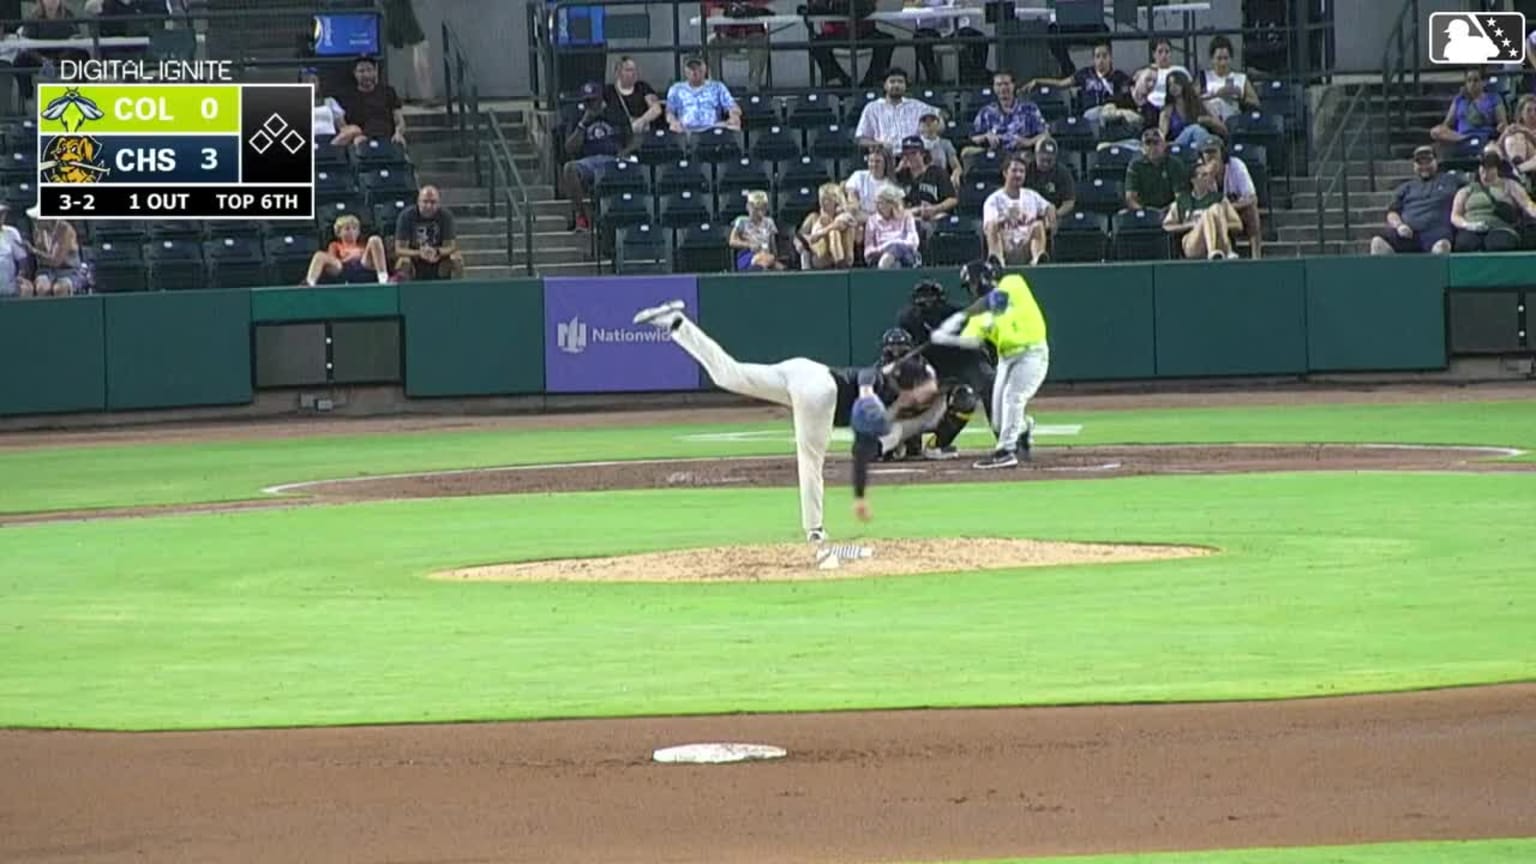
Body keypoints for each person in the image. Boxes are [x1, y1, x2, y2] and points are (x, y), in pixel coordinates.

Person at [632, 299, 951, 540]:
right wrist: (868, 396)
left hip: (802, 371)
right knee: (811, 460)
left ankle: (677, 324)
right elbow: (870, 377)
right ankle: (815, 530)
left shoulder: (895, 403)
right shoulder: (890, 383)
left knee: (730, 374)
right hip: (821, 390)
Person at [930, 260, 1050, 469]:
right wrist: (945, 338)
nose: (971, 289)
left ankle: (1005, 452)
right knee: (997, 421)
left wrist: (960, 316)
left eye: (971, 284)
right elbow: (971, 341)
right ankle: (1022, 428)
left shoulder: (1013, 282)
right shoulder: (979, 316)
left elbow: (997, 301)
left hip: (1031, 353)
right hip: (1006, 359)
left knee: (1014, 397)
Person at [896, 275, 998, 454]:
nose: (927, 304)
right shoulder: (908, 320)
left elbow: (986, 337)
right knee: (905, 388)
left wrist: (990, 360)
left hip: (964, 361)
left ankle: (1005, 440)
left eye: (931, 299)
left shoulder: (957, 315)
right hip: (932, 369)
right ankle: (907, 443)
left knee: (977, 392)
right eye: (922, 300)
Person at [560, 80, 638, 233]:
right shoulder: (578, 116)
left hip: (613, 158)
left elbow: (634, 140)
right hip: (589, 161)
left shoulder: (615, 112)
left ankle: (628, 214)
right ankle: (582, 217)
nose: (591, 104)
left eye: (593, 100)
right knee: (569, 169)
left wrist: (624, 152)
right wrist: (583, 123)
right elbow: (569, 148)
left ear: (601, 98)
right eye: (587, 101)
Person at [1370, 145, 1460, 256]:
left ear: (1436, 161)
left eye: (1428, 161)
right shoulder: (1406, 187)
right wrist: (1399, 226)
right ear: (1414, 165)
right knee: (1378, 243)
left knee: (1442, 246)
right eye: (1420, 163)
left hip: (1436, 234)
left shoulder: (1451, 180)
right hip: (1408, 233)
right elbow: (1392, 212)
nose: (1424, 166)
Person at [1027, 42, 1132, 136]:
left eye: (1104, 56)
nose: (1101, 60)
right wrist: (1038, 81)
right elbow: (1061, 84)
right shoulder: (1085, 74)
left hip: (1111, 114)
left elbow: (1132, 88)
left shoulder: (1118, 76)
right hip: (1090, 114)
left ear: (1110, 58)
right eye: (1097, 57)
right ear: (1093, 60)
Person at [1451, 150, 1536, 252]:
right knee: (1465, 244)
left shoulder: (1510, 185)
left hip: (1500, 228)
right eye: (1483, 169)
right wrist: (1467, 225)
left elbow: (1527, 205)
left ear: (1497, 169)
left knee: (1498, 244)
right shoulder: (1467, 190)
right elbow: (1455, 216)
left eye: (1490, 169)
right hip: (1472, 227)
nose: (1485, 174)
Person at [1162, 159, 1240, 260]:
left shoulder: (1219, 198)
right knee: (1207, 214)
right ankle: (1214, 251)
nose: (1208, 178)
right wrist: (1189, 225)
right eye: (1203, 175)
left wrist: (1219, 223)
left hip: (1219, 240)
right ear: (1193, 180)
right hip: (1192, 242)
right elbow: (1166, 226)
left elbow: (1238, 225)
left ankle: (1221, 251)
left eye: (1208, 175)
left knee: (1215, 208)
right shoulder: (1182, 200)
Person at [807, 0, 895, 89]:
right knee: (816, 44)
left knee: (887, 41)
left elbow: (867, 7)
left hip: (864, 33)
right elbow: (817, 8)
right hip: (837, 34)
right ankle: (837, 79)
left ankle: (872, 81)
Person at [982, 155, 1053, 265]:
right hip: (1005, 245)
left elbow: (1049, 207)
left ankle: (1038, 260)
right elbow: (988, 227)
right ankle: (997, 261)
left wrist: (1049, 220)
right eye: (1014, 171)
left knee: (1038, 225)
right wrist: (1006, 217)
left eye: (1022, 171)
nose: (1018, 175)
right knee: (993, 225)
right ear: (1005, 173)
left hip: (1026, 245)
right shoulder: (993, 199)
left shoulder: (1031, 196)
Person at [1200, 138, 1261, 258]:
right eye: (1207, 152)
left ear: (1222, 153)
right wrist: (1209, 177)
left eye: (1213, 152)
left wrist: (1227, 207)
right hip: (1210, 215)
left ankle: (1256, 256)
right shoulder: (1199, 171)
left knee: (1252, 211)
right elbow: (1198, 200)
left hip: (1234, 212)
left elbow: (1252, 198)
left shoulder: (1236, 166)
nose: (1210, 156)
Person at [855, 68, 940, 154]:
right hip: (885, 157)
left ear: (905, 85)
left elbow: (939, 114)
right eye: (892, 82)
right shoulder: (872, 108)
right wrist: (880, 145)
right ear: (885, 85)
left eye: (900, 82)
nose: (896, 85)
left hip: (913, 156)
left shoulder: (916, 106)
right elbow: (861, 139)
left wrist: (934, 130)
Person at [966, 70, 1047, 156]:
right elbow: (973, 137)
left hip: (1022, 157)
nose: (1003, 88)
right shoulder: (986, 112)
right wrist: (986, 136)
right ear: (994, 87)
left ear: (1013, 85)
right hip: (995, 156)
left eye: (1006, 84)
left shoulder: (1029, 109)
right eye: (999, 84)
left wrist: (1028, 142)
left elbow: (1045, 134)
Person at [908, 0, 988, 85]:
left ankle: (977, 75)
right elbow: (909, 7)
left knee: (980, 38)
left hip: (957, 29)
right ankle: (933, 80)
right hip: (931, 29)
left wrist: (964, 4)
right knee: (919, 39)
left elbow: (967, 5)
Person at [394, 186, 464, 280]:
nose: (429, 206)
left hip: (438, 258)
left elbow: (450, 246)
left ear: (439, 203)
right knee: (403, 262)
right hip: (414, 258)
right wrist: (419, 253)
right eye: (425, 202)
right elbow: (399, 249)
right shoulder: (406, 216)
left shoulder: (446, 216)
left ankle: (456, 291)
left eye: (433, 202)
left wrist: (437, 252)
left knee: (457, 259)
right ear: (418, 202)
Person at [665, 56, 743, 138]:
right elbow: (669, 112)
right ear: (685, 71)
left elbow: (732, 106)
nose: (694, 72)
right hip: (685, 128)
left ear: (704, 70)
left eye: (698, 68)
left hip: (713, 127)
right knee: (672, 128)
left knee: (735, 125)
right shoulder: (676, 89)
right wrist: (673, 121)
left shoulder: (717, 86)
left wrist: (734, 116)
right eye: (691, 69)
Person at [894, 135, 958, 234]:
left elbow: (952, 199)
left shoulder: (937, 172)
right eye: (905, 155)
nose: (909, 158)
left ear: (923, 154)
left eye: (913, 153)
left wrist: (935, 209)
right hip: (909, 218)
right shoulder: (900, 177)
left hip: (935, 218)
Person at [336, 57, 406, 148]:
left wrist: (398, 133)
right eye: (361, 71)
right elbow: (342, 124)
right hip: (360, 138)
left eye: (369, 70)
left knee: (400, 143)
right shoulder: (346, 96)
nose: (366, 74)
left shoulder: (388, 92)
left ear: (375, 72)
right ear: (355, 74)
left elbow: (399, 120)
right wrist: (353, 136)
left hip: (388, 136)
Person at [702, 0, 771, 91]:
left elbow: (770, 7)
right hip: (725, 38)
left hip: (752, 37)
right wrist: (727, 11)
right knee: (710, 42)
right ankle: (716, 87)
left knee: (761, 42)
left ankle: (753, 88)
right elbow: (707, 10)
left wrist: (753, 9)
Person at [1431, 67, 1507, 148]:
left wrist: (1500, 126)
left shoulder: (1494, 98)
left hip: (1484, 136)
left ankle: (1472, 140)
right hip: (1460, 136)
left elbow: (1503, 123)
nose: (1472, 84)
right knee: (1435, 131)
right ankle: (1466, 139)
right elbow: (1447, 123)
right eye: (1469, 80)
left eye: (1476, 80)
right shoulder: (1459, 99)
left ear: (1483, 82)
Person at [305, 214, 390, 286]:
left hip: (362, 265)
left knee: (375, 239)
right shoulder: (335, 245)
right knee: (319, 255)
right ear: (339, 233)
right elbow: (332, 261)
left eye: (354, 228)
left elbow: (368, 258)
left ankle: (383, 278)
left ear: (358, 232)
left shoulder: (362, 245)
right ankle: (310, 283)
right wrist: (349, 257)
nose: (351, 232)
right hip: (342, 268)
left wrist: (360, 253)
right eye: (347, 229)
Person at [1124, 126, 1190, 210]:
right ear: (1142, 147)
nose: (1152, 147)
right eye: (1148, 143)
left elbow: (1180, 197)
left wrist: (1168, 211)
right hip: (1145, 210)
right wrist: (1145, 212)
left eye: (1156, 143)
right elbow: (1130, 198)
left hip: (1170, 211)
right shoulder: (1136, 165)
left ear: (1164, 144)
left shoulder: (1174, 164)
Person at [796, 183, 858, 270]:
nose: (823, 203)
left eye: (827, 200)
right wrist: (802, 243)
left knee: (834, 232)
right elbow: (799, 236)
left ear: (836, 201)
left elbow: (840, 225)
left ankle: (840, 266)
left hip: (843, 257)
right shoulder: (813, 217)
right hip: (819, 257)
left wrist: (819, 234)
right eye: (822, 199)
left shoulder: (844, 216)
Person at [1096, 67, 1161, 149]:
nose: (1151, 84)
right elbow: (1105, 113)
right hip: (1113, 143)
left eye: (1154, 82)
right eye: (1148, 79)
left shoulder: (1153, 110)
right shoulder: (1119, 98)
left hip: (1137, 147)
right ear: (1136, 77)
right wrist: (1124, 113)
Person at [1199, 36, 1260, 122]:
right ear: (1212, 59)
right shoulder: (1204, 77)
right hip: (1211, 117)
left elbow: (1256, 103)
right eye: (1219, 59)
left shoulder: (1241, 78)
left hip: (1234, 119)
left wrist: (1240, 97)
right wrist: (1216, 94)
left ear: (1231, 59)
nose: (1223, 63)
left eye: (1226, 58)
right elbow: (1193, 100)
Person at [1160, 70, 1226, 150]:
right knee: (1195, 129)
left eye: (1176, 83)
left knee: (1209, 136)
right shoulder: (1168, 110)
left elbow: (1223, 129)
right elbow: (1162, 136)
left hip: (1197, 143)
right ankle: (1210, 150)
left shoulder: (1201, 104)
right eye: (1170, 85)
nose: (1173, 87)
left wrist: (1209, 121)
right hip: (1178, 145)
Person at [383, 0, 432, 102]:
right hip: (404, 21)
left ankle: (412, 94)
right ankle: (425, 95)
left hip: (393, 20)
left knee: (410, 54)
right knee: (420, 48)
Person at [25, 209, 81, 297]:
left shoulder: (65, 229)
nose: (35, 222)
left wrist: (33, 251)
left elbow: (56, 261)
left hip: (67, 270)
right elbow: (42, 259)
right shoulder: (38, 231)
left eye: (37, 219)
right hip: (46, 270)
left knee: (60, 288)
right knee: (42, 287)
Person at [864, 185, 922, 268]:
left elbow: (914, 242)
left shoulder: (906, 217)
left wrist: (895, 244)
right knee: (896, 264)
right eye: (876, 203)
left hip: (905, 254)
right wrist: (886, 247)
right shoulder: (872, 221)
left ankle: (884, 267)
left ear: (891, 204)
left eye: (880, 203)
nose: (877, 207)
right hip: (879, 256)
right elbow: (868, 252)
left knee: (898, 251)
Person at [304, 67, 361, 149]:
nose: (310, 84)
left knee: (355, 129)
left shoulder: (330, 101)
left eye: (313, 81)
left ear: (318, 83)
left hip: (331, 139)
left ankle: (330, 147)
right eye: (306, 81)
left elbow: (342, 127)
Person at [606, 56, 665, 134]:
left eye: (635, 70)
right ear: (618, 72)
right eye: (628, 70)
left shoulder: (643, 87)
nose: (633, 73)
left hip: (641, 132)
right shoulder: (608, 91)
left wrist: (641, 121)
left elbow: (656, 109)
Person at [1022, 137, 1076, 222]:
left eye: (1049, 160)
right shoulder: (1026, 170)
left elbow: (1069, 202)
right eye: (1042, 159)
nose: (1045, 163)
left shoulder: (1063, 173)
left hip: (1053, 215)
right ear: (1036, 154)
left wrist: (1056, 214)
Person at [730, 190, 783, 270]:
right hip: (747, 255)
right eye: (756, 209)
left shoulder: (769, 222)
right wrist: (749, 244)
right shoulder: (741, 221)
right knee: (762, 262)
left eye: (762, 209)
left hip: (766, 254)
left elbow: (773, 246)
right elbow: (732, 241)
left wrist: (774, 256)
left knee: (779, 267)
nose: (759, 212)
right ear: (748, 207)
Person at [843, 145, 895, 221]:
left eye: (878, 161)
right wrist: (853, 203)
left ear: (885, 163)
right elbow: (851, 193)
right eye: (871, 161)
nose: (874, 165)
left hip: (878, 219)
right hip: (857, 215)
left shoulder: (889, 184)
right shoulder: (859, 175)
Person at [1146, 38, 1192, 111]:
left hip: (1176, 109)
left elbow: (1190, 92)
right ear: (1154, 54)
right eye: (1160, 52)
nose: (1164, 55)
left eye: (1167, 52)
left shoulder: (1181, 70)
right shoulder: (1147, 72)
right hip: (1152, 109)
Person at [918, 109, 959, 177]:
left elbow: (956, 167)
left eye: (932, 120)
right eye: (924, 120)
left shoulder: (946, 143)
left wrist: (955, 175)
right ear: (919, 125)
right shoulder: (915, 144)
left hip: (941, 179)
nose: (928, 123)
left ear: (939, 123)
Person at [0, 208, 29, 299]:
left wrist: (21, 275)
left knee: (26, 288)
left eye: (2, 214)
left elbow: (22, 260)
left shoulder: (12, 232)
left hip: (9, 286)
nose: (1, 217)